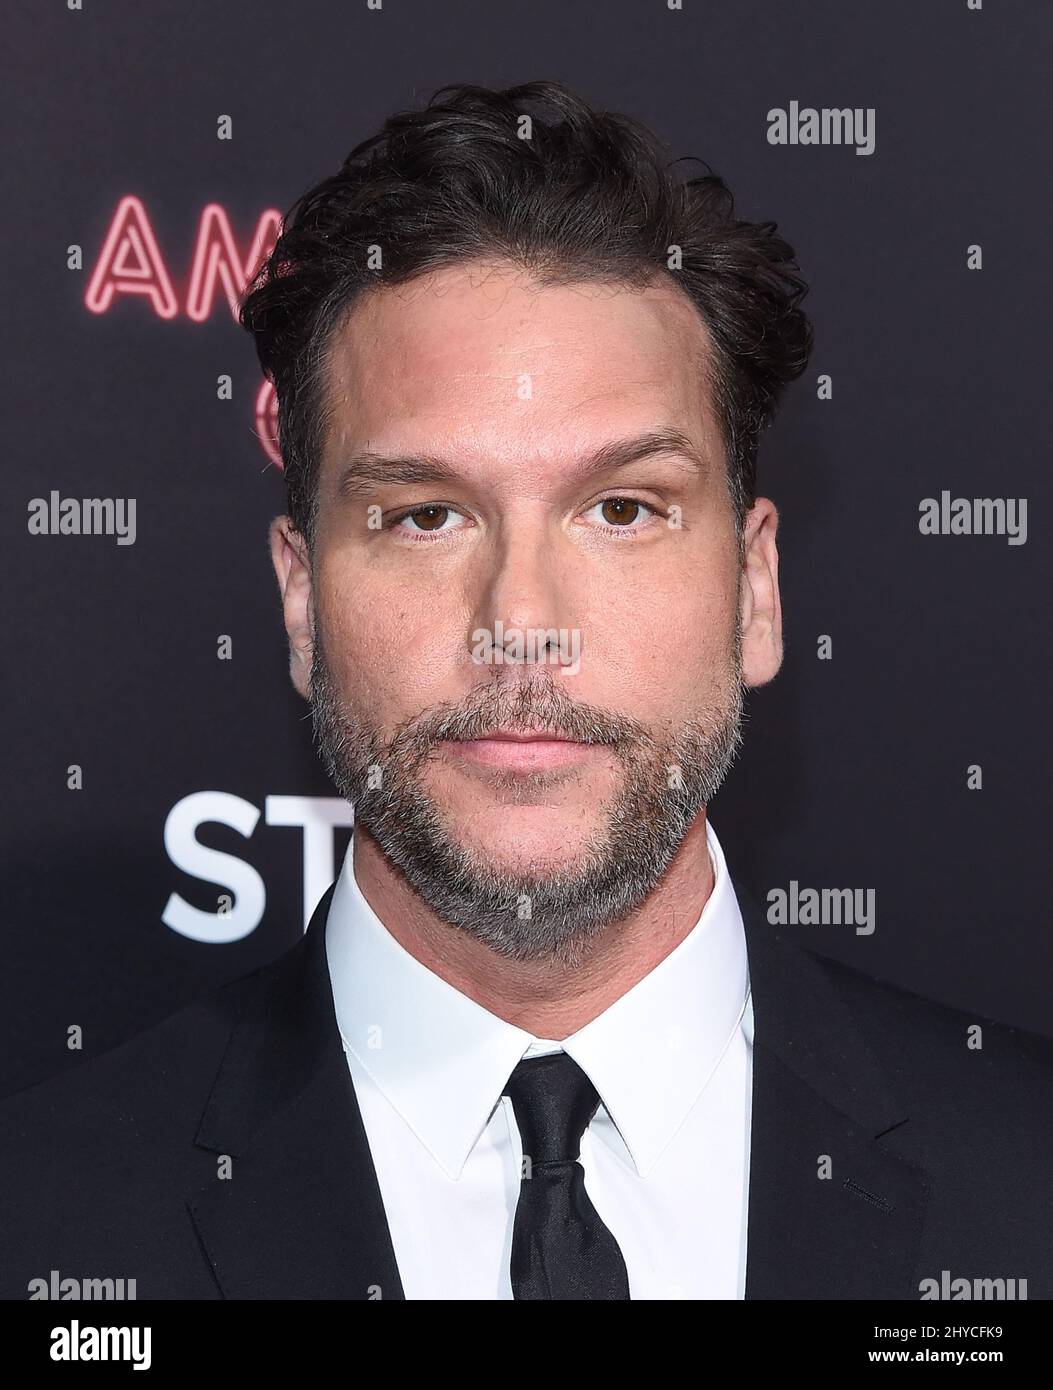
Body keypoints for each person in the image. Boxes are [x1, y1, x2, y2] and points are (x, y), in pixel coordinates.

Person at [2, 80, 1051, 1301]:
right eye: (425, 515)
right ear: (299, 600)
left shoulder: (1027, 1187)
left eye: (622, 509)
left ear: (756, 586)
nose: (523, 626)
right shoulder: (41, 1228)